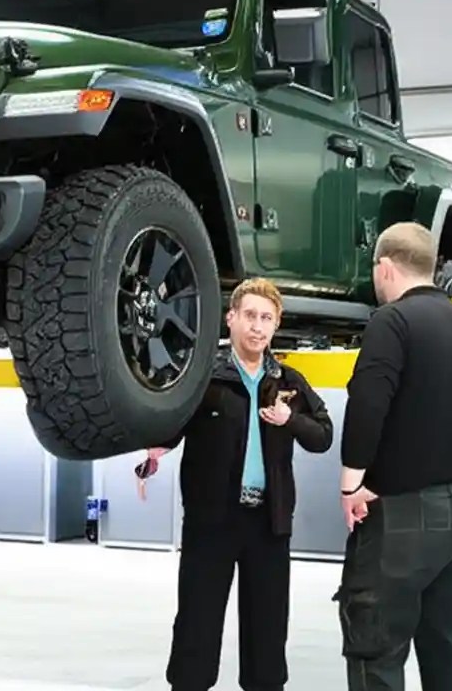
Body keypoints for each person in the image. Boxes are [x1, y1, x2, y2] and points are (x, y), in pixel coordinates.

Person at [143, 277, 334, 691]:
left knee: (268, 629)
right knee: (197, 623)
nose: (257, 326)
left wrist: (291, 420)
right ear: (230, 318)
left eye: (266, 318)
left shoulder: (288, 382)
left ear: (276, 325)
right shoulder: (203, 377)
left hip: (268, 524)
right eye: (249, 315)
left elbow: (323, 436)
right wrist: (155, 449)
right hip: (211, 522)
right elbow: (171, 422)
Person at [334, 222, 452, 691]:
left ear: (384, 267)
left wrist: (350, 484)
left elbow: (368, 402)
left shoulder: (393, 321)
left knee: (376, 645)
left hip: (403, 517)